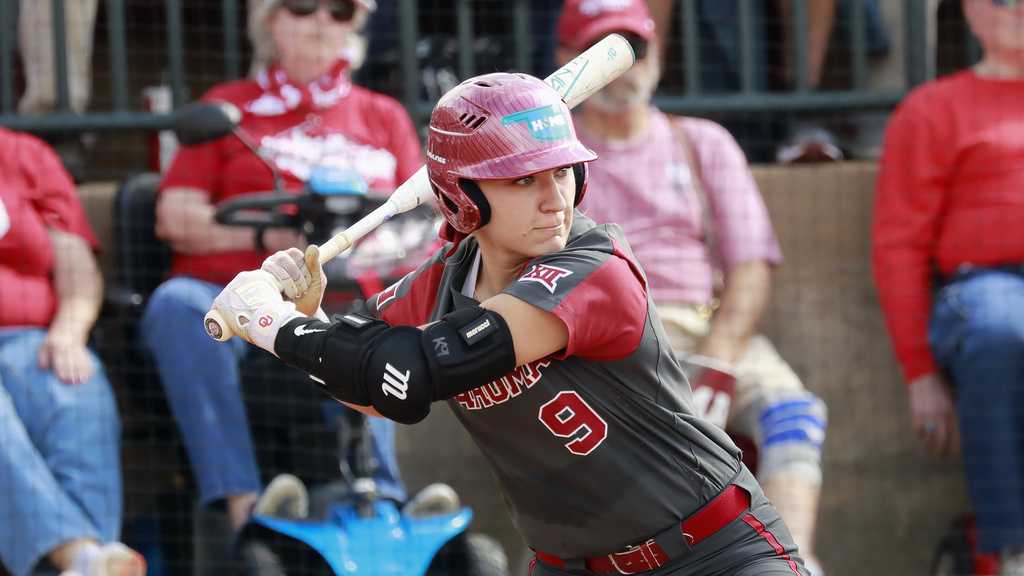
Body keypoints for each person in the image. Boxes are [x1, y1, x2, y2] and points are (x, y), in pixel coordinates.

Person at [207, 70, 812, 575]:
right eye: (524, 179)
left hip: (713, 552)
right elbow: (373, 391)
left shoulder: (596, 268)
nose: (555, 198)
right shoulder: (441, 282)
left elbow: (410, 371)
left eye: (561, 172)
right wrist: (312, 321)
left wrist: (275, 325)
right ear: (462, 197)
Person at [553, 1, 830, 573]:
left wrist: (721, 359)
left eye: (636, 51)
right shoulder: (551, 160)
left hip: (704, 323)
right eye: (603, 53)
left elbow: (750, 265)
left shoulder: (701, 141)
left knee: (793, 410)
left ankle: (793, 563)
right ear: (566, 62)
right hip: (601, 338)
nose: (624, 68)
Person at [141, 0, 421, 533]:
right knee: (176, 306)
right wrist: (266, 237)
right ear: (270, 18)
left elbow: (427, 222)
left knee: (378, 318)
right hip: (234, 294)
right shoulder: (228, 107)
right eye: (302, 5)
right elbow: (175, 216)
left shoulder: (383, 115)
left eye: (340, 10)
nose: (321, 20)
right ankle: (242, 505)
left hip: (345, 294)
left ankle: (381, 503)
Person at [873, 1, 1024, 573]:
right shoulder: (933, 109)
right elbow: (898, 245)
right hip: (986, 289)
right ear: (971, 11)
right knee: (1002, 328)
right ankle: (1012, 550)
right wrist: (920, 373)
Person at [0, 128, 145, 576]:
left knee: (77, 389)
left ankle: (85, 560)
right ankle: (81, 556)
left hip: (29, 338)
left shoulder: (23, 155)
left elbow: (74, 260)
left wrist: (70, 326)